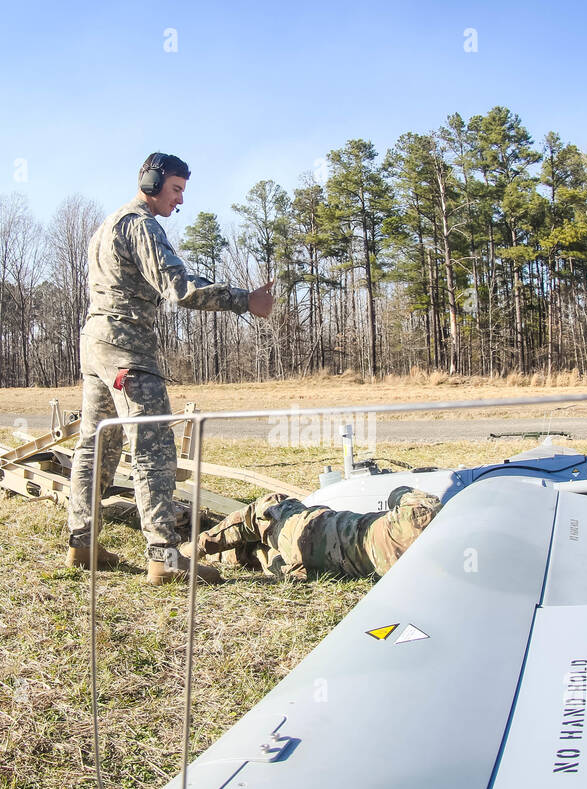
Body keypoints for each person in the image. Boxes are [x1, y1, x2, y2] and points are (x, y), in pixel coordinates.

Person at [66, 152, 274, 583]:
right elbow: (178, 288)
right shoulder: (142, 225)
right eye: (176, 189)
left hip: (95, 346)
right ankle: (164, 557)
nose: (179, 202)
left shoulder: (106, 226)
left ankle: (82, 545)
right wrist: (245, 301)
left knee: (94, 446)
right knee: (154, 448)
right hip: (128, 351)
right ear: (151, 180)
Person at [189, 486, 442, 580]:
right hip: (323, 567)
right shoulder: (419, 570)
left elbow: (397, 492)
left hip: (314, 530)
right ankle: (225, 557)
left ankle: (195, 548)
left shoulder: (422, 516)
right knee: (265, 554)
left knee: (266, 508)